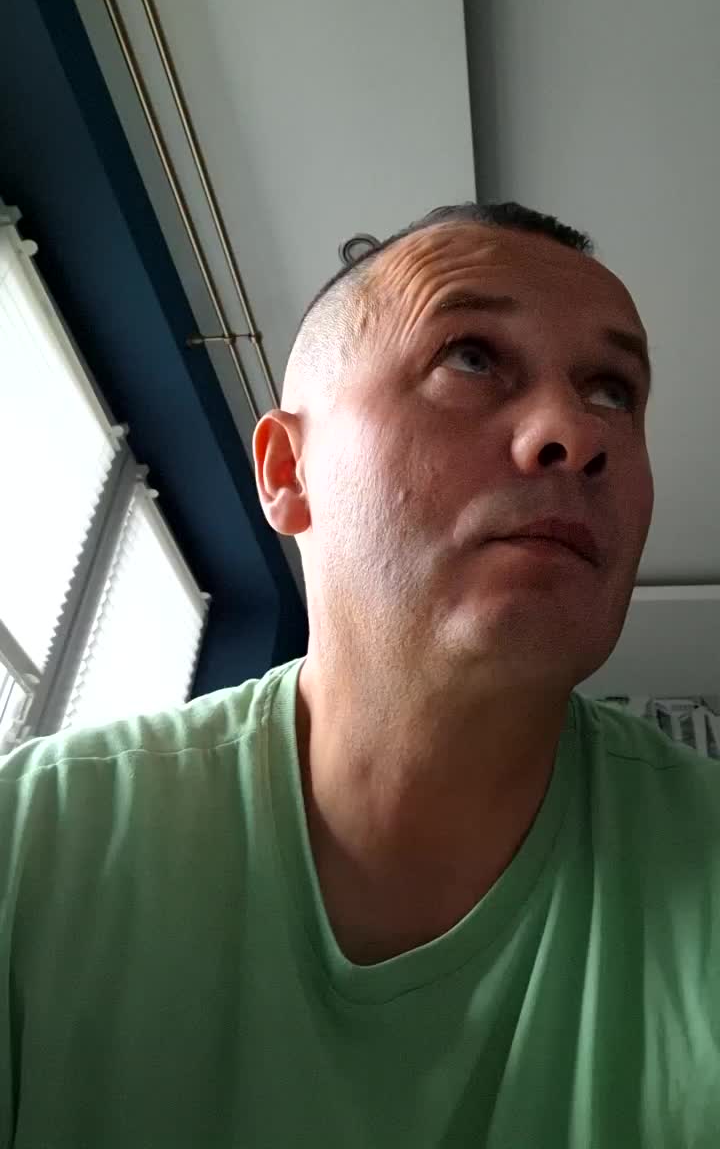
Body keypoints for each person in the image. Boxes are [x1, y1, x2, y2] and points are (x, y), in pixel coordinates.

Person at [1, 202, 718, 1148]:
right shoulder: (32, 851)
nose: (574, 432)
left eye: (614, 392)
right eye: (471, 357)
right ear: (287, 471)